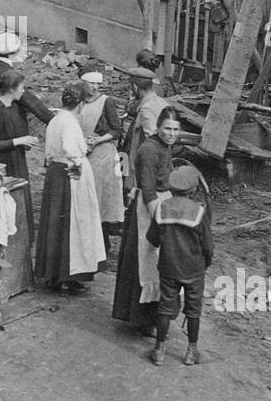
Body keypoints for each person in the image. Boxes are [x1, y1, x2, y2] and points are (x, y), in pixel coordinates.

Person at [112, 107, 181, 334]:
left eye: (175, 129)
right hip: (147, 207)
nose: (171, 133)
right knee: (147, 259)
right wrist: (159, 221)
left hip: (164, 199)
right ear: (158, 128)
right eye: (167, 128)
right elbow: (149, 187)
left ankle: (154, 317)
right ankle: (142, 319)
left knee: (160, 262)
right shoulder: (149, 149)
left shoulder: (166, 146)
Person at [35, 83, 106, 293]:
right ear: (81, 104)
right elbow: (70, 147)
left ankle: (54, 274)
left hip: (55, 172)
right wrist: (76, 163)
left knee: (55, 224)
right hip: (69, 175)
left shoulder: (55, 119)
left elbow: (49, 151)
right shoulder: (70, 123)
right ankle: (68, 275)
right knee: (73, 226)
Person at [146, 164, 213, 366]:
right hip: (194, 269)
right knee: (193, 310)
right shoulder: (199, 212)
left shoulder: (161, 208)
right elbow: (208, 246)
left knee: (165, 306)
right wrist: (205, 264)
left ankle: (159, 350)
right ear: (193, 190)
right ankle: (191, 351)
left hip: (168, 267)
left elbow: (153, 239)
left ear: (170, 188)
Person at [0, 70, 39, 237]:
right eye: (21, 87)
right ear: (12, 89)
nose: (23, 91)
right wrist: (19, 141)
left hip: (16, 160)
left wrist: (25, 141)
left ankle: (19, 238)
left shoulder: (14, 106)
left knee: (18, 198)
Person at [78, 66, 125, 260]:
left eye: (98, 84)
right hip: (83, 152)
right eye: (91, 83)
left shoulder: (107, 102)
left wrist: (97, 140)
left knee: (102, 199)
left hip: (103, 155)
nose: (95, 87)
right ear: (83, 83)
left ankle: (103, 243)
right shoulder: (78, 101)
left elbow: (116, 130)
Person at [0, 32, 54, 125]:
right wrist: (52, 120)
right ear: (16, 51)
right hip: (10, 124)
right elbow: (30, 101)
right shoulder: (9, 75)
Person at [201, 0, 236, 92]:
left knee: (220, 60)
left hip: (223, 32)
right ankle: (211, 83)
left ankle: (217, 84)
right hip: (214, 31)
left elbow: (233, 16)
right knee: (212, 59)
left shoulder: (226, 0)